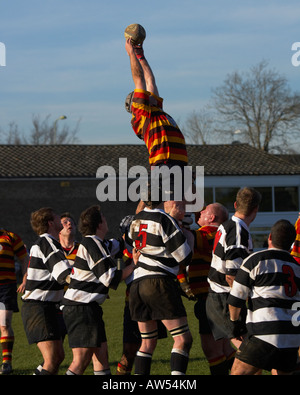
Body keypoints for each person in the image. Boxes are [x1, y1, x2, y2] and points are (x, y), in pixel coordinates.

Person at [62, 205, 135, 375]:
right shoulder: (91, 243)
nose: (106, 220)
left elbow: (119, 243)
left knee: (101, 355)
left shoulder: (99, 243)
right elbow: (109, 277)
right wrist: (133, 265)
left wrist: (132, 230)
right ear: (99, 224)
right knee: (81, 359)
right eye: (103, 217)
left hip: (88, 308)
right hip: (80, 307)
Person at [126, 195, 193, 375]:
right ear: (162, 198)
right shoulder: (164, 219)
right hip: (158, 282)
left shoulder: (135, 219)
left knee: (147, 342)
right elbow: (184, 256)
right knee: (183, 339)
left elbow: (132, 244)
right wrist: (186, 235)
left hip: (137, 283)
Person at [125, 28, 189, 211]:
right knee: (159, 206)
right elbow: (139, 80)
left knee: (176, 210)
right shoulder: (141, 113)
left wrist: (141, 56)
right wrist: (130, 54)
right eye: (143, 95)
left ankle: (137, 226)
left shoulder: (156, 111)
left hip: (178, 165)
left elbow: (149, 79)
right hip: (165, 164)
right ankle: (133, 229)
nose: (148, 93)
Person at [228, 219, 300, 375]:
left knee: (237, 373)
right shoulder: (297, 267)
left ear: (269, 238)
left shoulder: (256, 260)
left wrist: (235, 323)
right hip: (292, 337)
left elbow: (236, 299)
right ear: (292, 244)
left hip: (264, 332)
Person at [178, 203, 236, 375]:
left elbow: (186, 236)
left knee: (212, 350)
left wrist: (179, 218)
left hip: (209, 299)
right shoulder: (222, 234)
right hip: (220, 297)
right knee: (225, 347)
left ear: (211, 218)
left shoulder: (209, 233)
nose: (199, 212)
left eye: (203, 211)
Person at [206, 187, 262, 349]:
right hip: (225, 296)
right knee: (248, 350)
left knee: (245, 350)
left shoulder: (230, 226)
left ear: (236, 204)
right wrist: (245, 298)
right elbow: (232, 275)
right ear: (256, 209)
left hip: (220, 295)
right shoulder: (238, 230)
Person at [21, 207, 72, 375]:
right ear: (51, 223)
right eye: (58, 217)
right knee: (52, 359)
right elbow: (63, 274)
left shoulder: (48, 243)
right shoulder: (47, 242)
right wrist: (88, 285)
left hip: (46, 306)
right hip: (38, 307)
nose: (62, 220)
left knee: (57, 357)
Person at [0, 227, 29, 375]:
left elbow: (24, 258)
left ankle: (6, 362)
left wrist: (25, 278)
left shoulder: (10, 237)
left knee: (4, 323)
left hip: (5, 287)